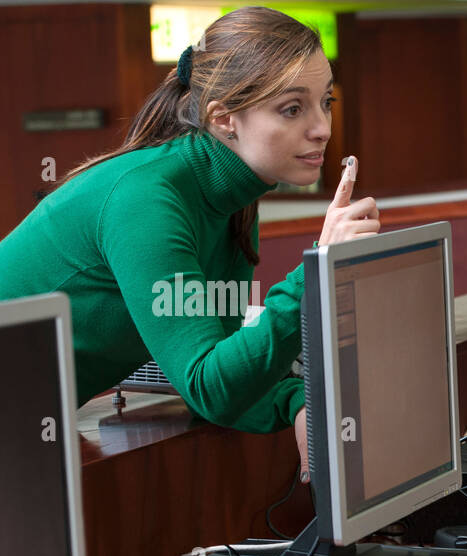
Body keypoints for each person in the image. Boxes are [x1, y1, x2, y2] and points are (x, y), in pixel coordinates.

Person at [0, 6, 379, 480]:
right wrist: (317, 270)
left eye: (326, 102)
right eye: (292, 108)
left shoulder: (234, 199)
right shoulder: (147, 199)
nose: (321, 126)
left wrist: (298, 403)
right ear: (224, 119)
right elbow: (211, 388)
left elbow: (221, 374)